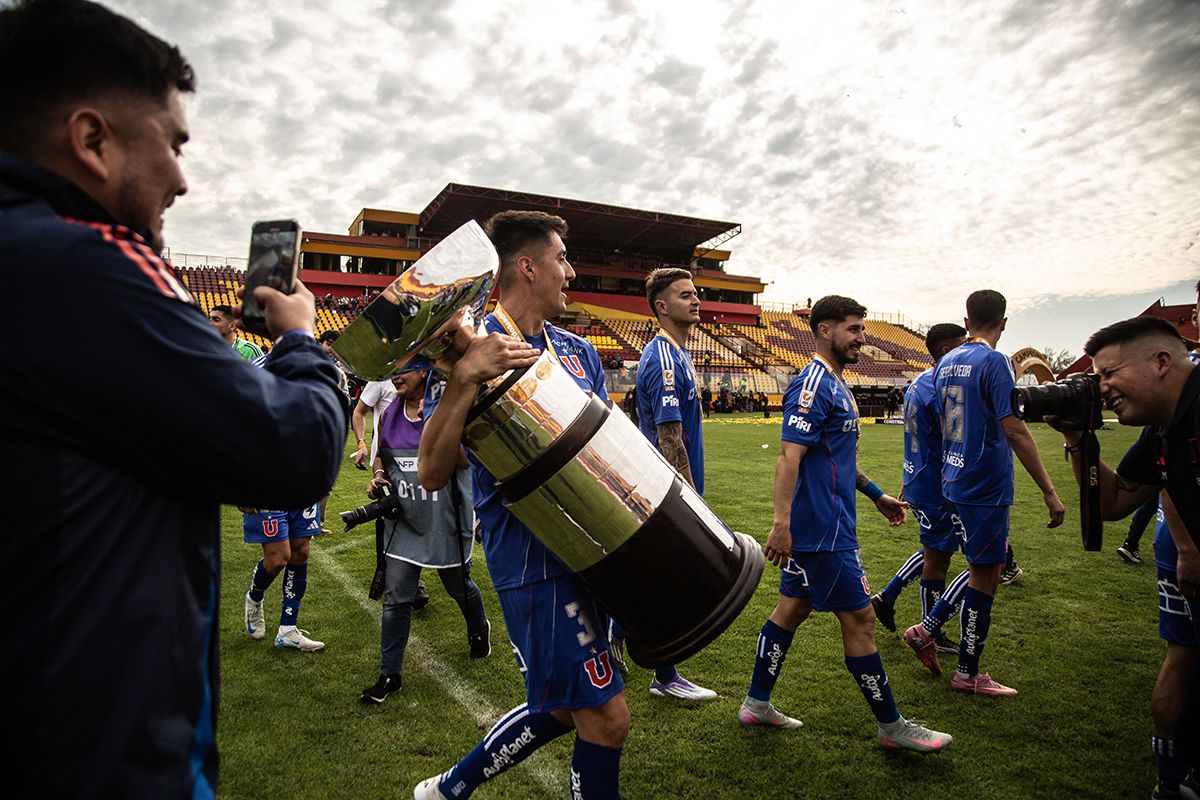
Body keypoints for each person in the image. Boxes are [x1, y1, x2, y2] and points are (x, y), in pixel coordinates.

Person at [0, 2, 346, 796]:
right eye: (173, 144)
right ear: (92, 139)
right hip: (94, 753)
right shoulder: (81, 265)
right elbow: (292, 451)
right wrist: (299, 340)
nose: (183, 179)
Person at [414, 211, 628, 799]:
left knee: (564, 707)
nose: (572, 270)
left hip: (594, 544)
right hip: (533, 562)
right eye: (562, 258)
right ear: (528, 266)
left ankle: (448, 789)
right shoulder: (467, 347)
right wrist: (463, 379)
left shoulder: (580, 353)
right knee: (606, 720)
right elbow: (433, 471)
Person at [736, 295, 952, 754]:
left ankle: (756, 703)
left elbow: (837, 460)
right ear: (824, 329)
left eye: (862, 329)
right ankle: (892, 726)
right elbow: (788, 455)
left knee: (791, 609)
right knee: (861, 619)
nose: (861, 339)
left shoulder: (836, 383)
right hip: (823, 532)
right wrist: (781, 523)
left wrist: (876, 496)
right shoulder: (813, 384)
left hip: (827, 525)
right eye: (853, 329)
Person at [1055, 311, 1200, 790]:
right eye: (1096, 378)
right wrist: (1077, 437)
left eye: (1109, 374)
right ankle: (1173, 781)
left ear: (1162, 361)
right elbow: (1113, 503)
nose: (1101, 389)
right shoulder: (1163, 425)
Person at [904, 290, 1064, 697]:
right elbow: (1014, 428)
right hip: (984, 483)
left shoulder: (946, 363)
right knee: (986, 575)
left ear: (967, 318)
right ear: (1004, 322)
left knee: (977, 568)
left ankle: (927, 630)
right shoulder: (993, 361)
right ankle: (967, 671)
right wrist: (1049, 489)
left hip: (953, 479)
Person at [606, 267, 715, 700]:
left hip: (663, 487)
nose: (696, 300)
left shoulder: (678, 353)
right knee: (668, 580)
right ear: (661, 307)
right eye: (685, 295)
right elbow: (670, 436)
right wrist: (689, 500)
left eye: (696, 293)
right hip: (666, 488)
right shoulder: (664, 357)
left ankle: (616, 633)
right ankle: (665, 676)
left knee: (652, 574)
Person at [359, 368, 490, 705]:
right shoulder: (389, 412)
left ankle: (479, 628)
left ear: (423, 372)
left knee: (458, 587)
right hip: (405, 522)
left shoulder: (447, 406)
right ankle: (390, 674)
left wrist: (435, 419)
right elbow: (380, 457)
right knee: (396, 599)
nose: (394, 377)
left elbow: (463, 460)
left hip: (445, 520)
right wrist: (377, 478)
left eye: (403, 370)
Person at [872, 324, 969, 661]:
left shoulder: (919, 383)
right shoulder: (943, 386)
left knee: (933, 551)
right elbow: (949, 437)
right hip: (939, 484)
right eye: (961, 346)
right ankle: (932, 631)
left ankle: (887, 598)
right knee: (939, 560)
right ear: (946, 350)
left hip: (919, 478)